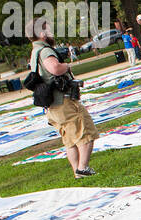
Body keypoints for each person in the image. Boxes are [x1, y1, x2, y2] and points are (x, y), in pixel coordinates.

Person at [28, 17, 98, 179]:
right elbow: (54, 68)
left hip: (51, 105)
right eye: (49, 29)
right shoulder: (45, 51)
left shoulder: (34, 52)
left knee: (69, 140)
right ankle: (83, 168)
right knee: (85, 132)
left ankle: (77, 171)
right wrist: (66, 66)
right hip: (63, 100)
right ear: (41, 33)